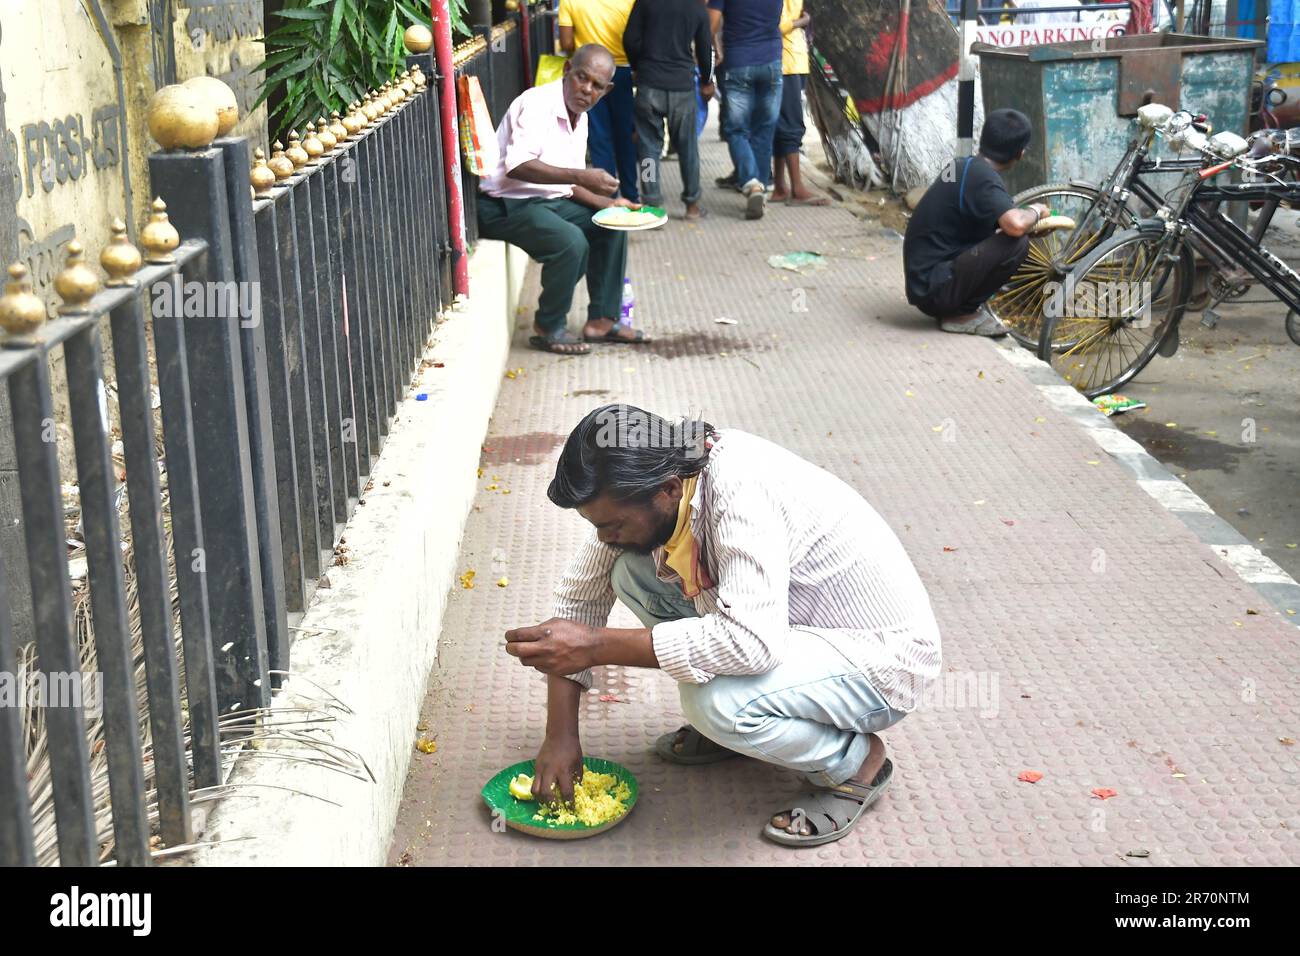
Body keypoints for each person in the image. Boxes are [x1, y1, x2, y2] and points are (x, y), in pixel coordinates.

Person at [504, 405, 942, 846]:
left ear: (668, 489)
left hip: (880, 661)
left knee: (715, 704)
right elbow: (579, 601)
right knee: (628, 571)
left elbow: (750, 643)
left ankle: (857, 763)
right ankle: (752, 725)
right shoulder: (657, 475)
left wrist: (597, 646)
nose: (602, 536)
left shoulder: (740, 491)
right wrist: (560, 737)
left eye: (611, 524)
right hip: (790, 629)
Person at [476, 45, 651, 355]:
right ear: (568, 68)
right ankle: (548, 325)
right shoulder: (537, 103)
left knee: (612, 225)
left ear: (606, 90)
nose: (586, 89)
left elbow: (564, 182)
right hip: (504, 204)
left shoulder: (579, 115)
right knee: (571, 243)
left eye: (597, 85)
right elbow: (518, 166)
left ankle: (601, 319)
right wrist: (584, 177)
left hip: (542, 200)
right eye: (582, 78)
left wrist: (608, 204)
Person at [902, 108, 1048, 336]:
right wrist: (1036, 211)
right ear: (1020, 154)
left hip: (924, 281)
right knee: (1016, 244)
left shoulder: (963, 165)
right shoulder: (984, 178)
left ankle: (956, 307)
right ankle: (962, 314)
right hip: (933, 290)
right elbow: (1016, 224)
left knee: (1011, 237)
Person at [624, 0, 716, 220]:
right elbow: (705, 47)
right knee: (688, 149)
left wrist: (638, 67)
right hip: (682, 87)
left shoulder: (645, 2)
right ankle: (692, 206)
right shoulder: (696, 7)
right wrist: (706, 80)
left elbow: (630, 39)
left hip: (649, 84)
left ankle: (652, 206)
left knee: (648, 148)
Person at [708, 0, 784, 219]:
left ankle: (752, 184)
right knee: (764, 128)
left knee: (736, 129)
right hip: (772, 61)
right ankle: (759, 187)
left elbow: (711, 24)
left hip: (738, 62)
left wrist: (712, 48)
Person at [559, 0, 640, 202]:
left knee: (599, 138)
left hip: (586, 73)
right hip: (621, 72)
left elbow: (566, 43)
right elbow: (636, 36)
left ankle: (608, 198)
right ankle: (631, 196)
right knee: (625, 137)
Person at [770, 0, 827, 205]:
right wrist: (801, 21)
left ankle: (780, 186)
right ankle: (797, 188)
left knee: (783, 123)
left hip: (794, 61)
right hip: (788, 63)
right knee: (792, 124)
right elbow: (777, 26)